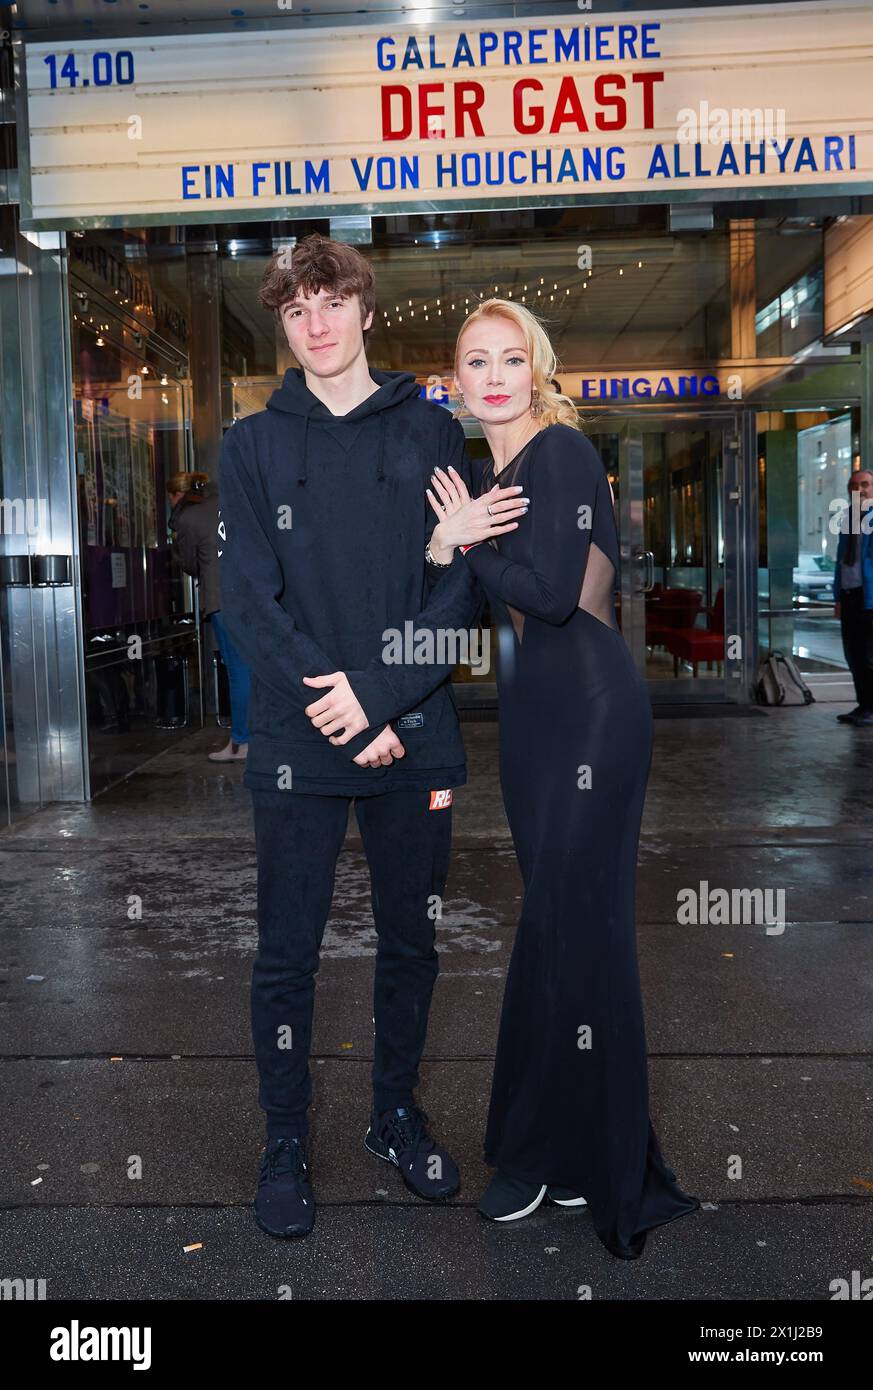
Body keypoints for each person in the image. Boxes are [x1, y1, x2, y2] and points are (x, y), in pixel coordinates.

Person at [217, 236, 523, 1239]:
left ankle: (394, 1115)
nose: (317, 322)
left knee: (412, 943)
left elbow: (461, 581)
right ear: (285, 323)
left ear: (364, 311)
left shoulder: (433, 433)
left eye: (332, 301)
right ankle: (283, 1136)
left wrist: (383, 702)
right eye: (297, 308)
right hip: (301, 743)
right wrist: (341, 712)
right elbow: (249, 603)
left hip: (415, 736)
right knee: (285, 954)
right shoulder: (253, 444)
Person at [425, 298, 701, 1260]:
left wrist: (464, 538)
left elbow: (548, 597)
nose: (493, 375)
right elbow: (467, 601)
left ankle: (560, 1157)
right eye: (475, 361)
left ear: (536, 367)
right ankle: (583, 1150)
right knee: (560, 927)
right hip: (536, 721)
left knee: (569, 931)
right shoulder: (487, 471)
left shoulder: (561, 456)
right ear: (455, 380)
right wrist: (444, 543)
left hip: (589, 712)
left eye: (511, 357)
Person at [167, 469, 251, 760]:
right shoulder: (248, 504)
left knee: (238, 671)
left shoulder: (190, 518)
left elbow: (190, 563)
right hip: (258, 598)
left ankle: (241, 742)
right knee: (257, 669)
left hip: (223, 600)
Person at [833, 469, 873, 727]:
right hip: (849, 596)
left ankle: (871, 708)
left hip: (870, 598)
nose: (861, 489)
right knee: (853, 654)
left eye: (866, 484)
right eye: (855, 485)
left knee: (869, 655)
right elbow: (840, 560)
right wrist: (837, 596)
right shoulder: (848, 518)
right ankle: (864, 705)